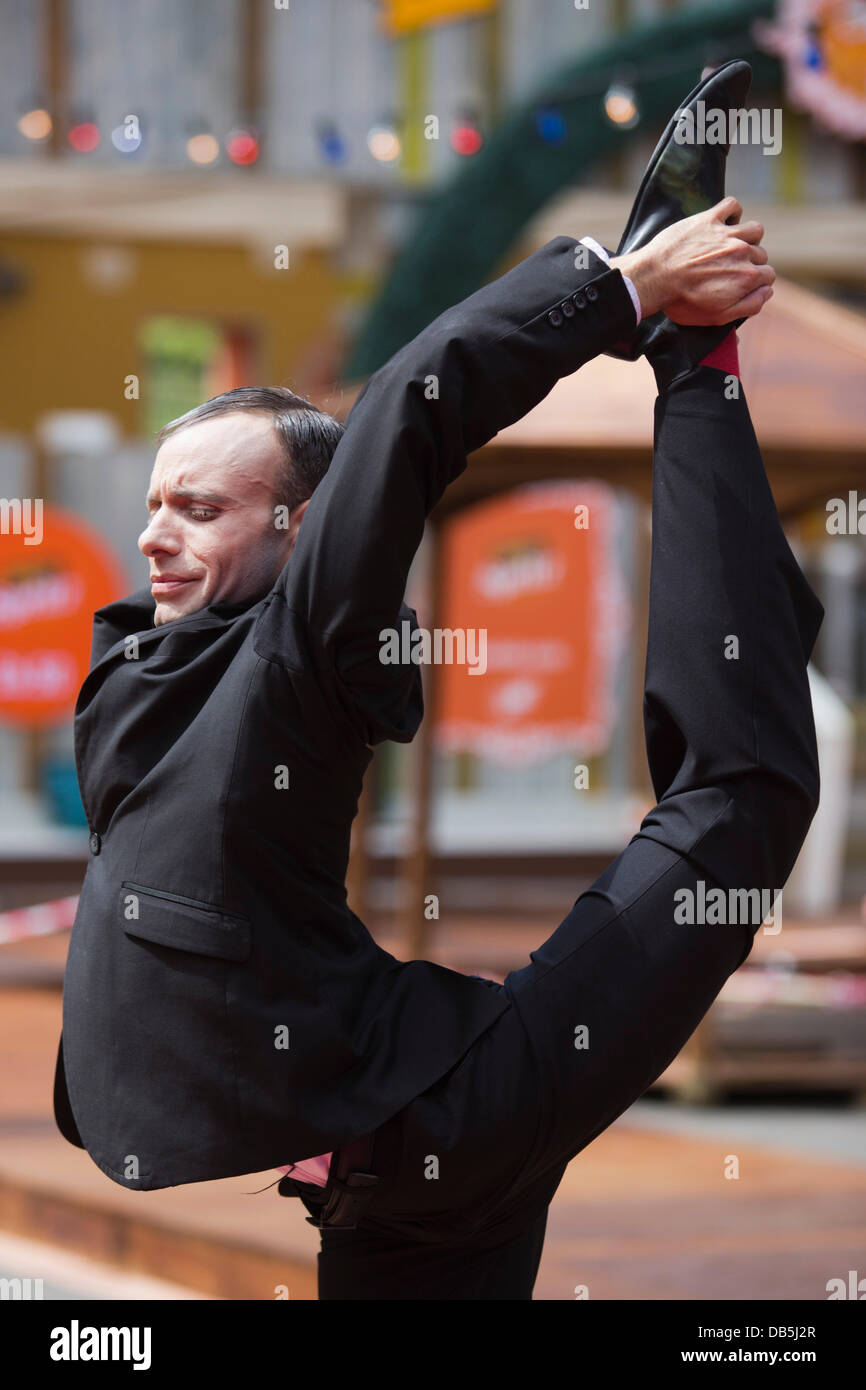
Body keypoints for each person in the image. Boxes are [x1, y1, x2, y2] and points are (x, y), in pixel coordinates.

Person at [53, 61, 823, 1300]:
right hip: (409, 1152)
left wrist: (625, 290)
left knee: (740, 793)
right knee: (743, 794)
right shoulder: (139, 688)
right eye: (152, 503)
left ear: (307, 535)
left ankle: (695, 361)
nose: (152, 534)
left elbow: (413, 402)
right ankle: (696, 367)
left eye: (200, 507)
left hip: (438, 1115)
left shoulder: (302, 648)